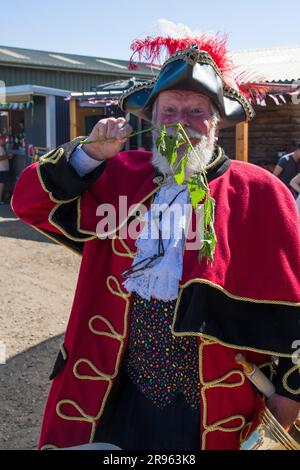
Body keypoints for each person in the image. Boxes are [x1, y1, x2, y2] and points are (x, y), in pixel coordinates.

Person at [12, 35, 300, 451]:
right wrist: (88, 155)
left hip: (214, 408)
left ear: (217, 120)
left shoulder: (261, 191)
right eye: (170, 110)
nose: (181, 122)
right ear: (153, 118)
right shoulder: (117, 174)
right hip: (116, 397)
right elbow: (29, 203)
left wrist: (290, 394)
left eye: (197, 111)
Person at [0, 137, 9, 204]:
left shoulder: (2, 147)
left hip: (2, 169)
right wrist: (8, 156)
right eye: (2, 140)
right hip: (2, 169)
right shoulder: (0, 148)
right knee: (1, 185)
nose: (4, 141)